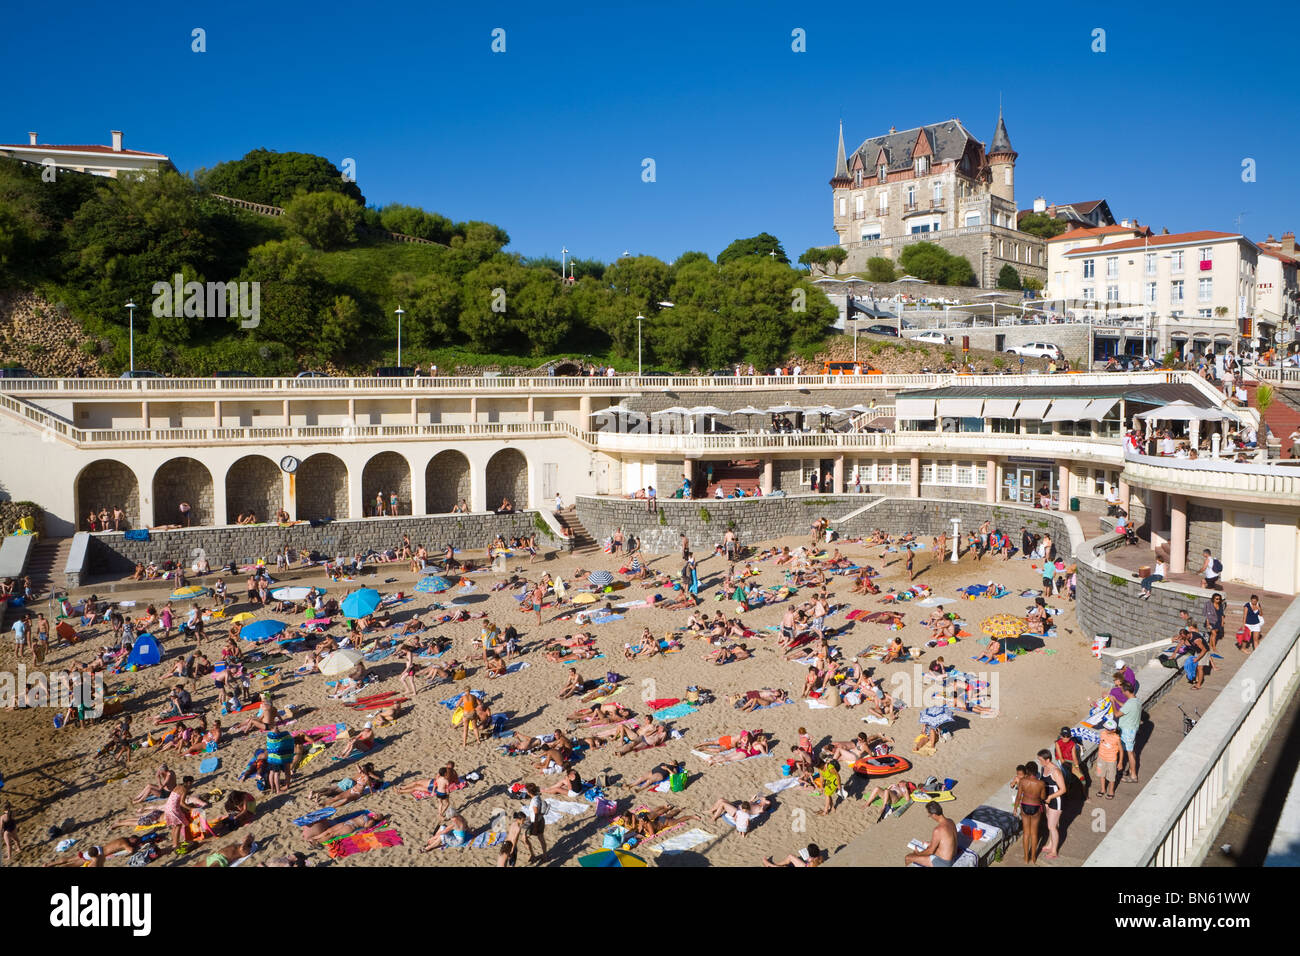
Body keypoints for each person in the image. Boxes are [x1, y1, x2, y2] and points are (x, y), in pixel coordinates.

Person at [1037, 749, 1068, 859]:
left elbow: (1063, 789)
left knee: (1052, 826)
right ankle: (1050, 844)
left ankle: (1054, 851)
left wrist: (1050, 797)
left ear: (1048, 759)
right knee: (1051, 824)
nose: (1039, 761)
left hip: (1056, 801)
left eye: (1040, 760)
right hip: (1047, 800)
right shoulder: (1044, 767)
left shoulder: (1055, 771)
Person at [1015, 761, 1047, 864]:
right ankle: (1033, 858)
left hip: (1025, 806)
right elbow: (1043, 797)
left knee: (1026, 833)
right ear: (1036, 771)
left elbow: (1018, 796)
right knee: (1034, 834)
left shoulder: (1022, 781)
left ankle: (1025, 858)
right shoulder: (1041, 783)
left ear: (1027, 771)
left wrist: (1015, 808)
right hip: (1036, 807)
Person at [1096, 719, 1122, 800]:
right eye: (1105, 728)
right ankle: (1103, 789)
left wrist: (1120, 762)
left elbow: (1121, 750)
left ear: (1114, 730)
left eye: (1108, 729)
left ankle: (1111, 791)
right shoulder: (1102, 734)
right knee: (1101, 775)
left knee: (1111, 777)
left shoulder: (1117, 738)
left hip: (1111, 760)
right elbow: (1100, 745)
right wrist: (1098, 757)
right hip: (1101, 758)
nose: (1106, 730)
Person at [522, 782, 548, 863]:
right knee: (541, 839)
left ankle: (533, 855)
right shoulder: (537, 796)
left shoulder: (534, 801)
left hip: (536, 822)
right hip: (539, 820)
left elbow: (536, 814)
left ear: (529, 792)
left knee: (524, 838)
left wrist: (535, 827)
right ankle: (544, 855)